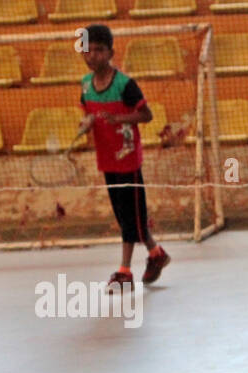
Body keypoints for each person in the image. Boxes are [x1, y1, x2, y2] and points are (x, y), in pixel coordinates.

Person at [77, 23, 170, 291]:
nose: (92, 55)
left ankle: (124, 271)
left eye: (99, 50)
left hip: (127, 159)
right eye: (87, 50)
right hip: (106, 159)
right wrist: (87, 125)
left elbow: (146, 115)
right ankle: (156, 255)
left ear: (110, 53)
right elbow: (88, 114)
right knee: (126, 217)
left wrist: (118, 118)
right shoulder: (85, 85)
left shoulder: (125, 84)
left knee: (132, 218)